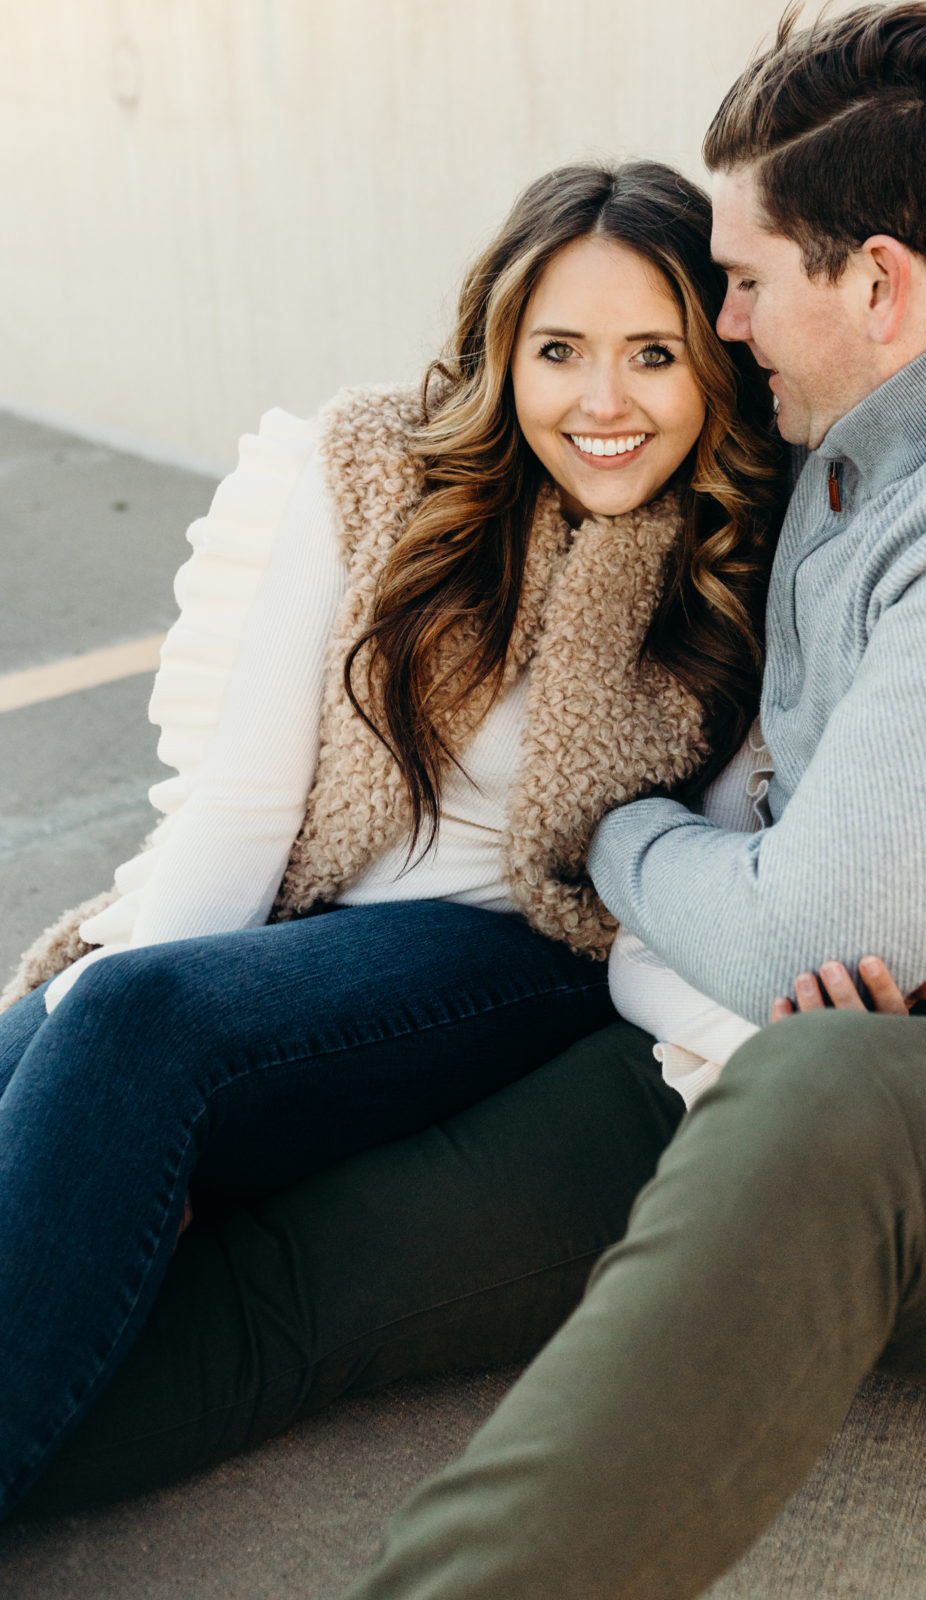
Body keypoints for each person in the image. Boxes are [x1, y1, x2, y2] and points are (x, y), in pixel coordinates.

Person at [14, 5, 926, 1600]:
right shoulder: (848, 468)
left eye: (744, 282)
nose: (728, 316)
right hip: (742, 1024)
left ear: (879, 285)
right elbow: (763, 895)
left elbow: (803, 924)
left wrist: (616, 838)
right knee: (314, 1274)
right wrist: (733, 906)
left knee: (820, 1089)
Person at [0, 159, 790, 1518]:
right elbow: (248, 801)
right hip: (320, 928)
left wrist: (131, 1027)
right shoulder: (375, 464)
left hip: (529, 948)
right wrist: (91, 1027)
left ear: (710, 366)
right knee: (67, 1027)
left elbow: (711, 870)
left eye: (651, 354)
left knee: (139, 1019)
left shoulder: (739, 551)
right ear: (505, 350)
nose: (602, 403)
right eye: (560, 352)